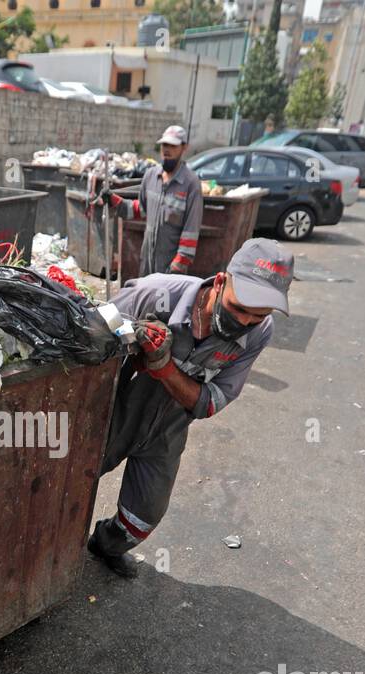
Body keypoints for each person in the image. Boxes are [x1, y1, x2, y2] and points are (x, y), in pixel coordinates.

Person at [87, 238, 294, 578]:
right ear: (221, 280)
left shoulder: (260, 333)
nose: (244, 321)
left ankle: (104, 545)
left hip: (167, 430)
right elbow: (90, 333)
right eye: (239, 307)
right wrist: (131, 341)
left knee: (144, 516)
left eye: (258, 315)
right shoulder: (155, 293)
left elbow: (212, 402)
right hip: (115, 414)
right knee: (70, 490)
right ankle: (53, 565)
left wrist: (165, 368)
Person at [97, 125, 204, 277]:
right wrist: (115, 201)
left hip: (172, 267)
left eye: (173, 146)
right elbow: (140, 209)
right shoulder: (151, 176)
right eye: (164, 145)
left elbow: (191, 231)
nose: (167, 150)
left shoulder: (191, 183)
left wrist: (178, 265)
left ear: (184, 148)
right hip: (147, 261)